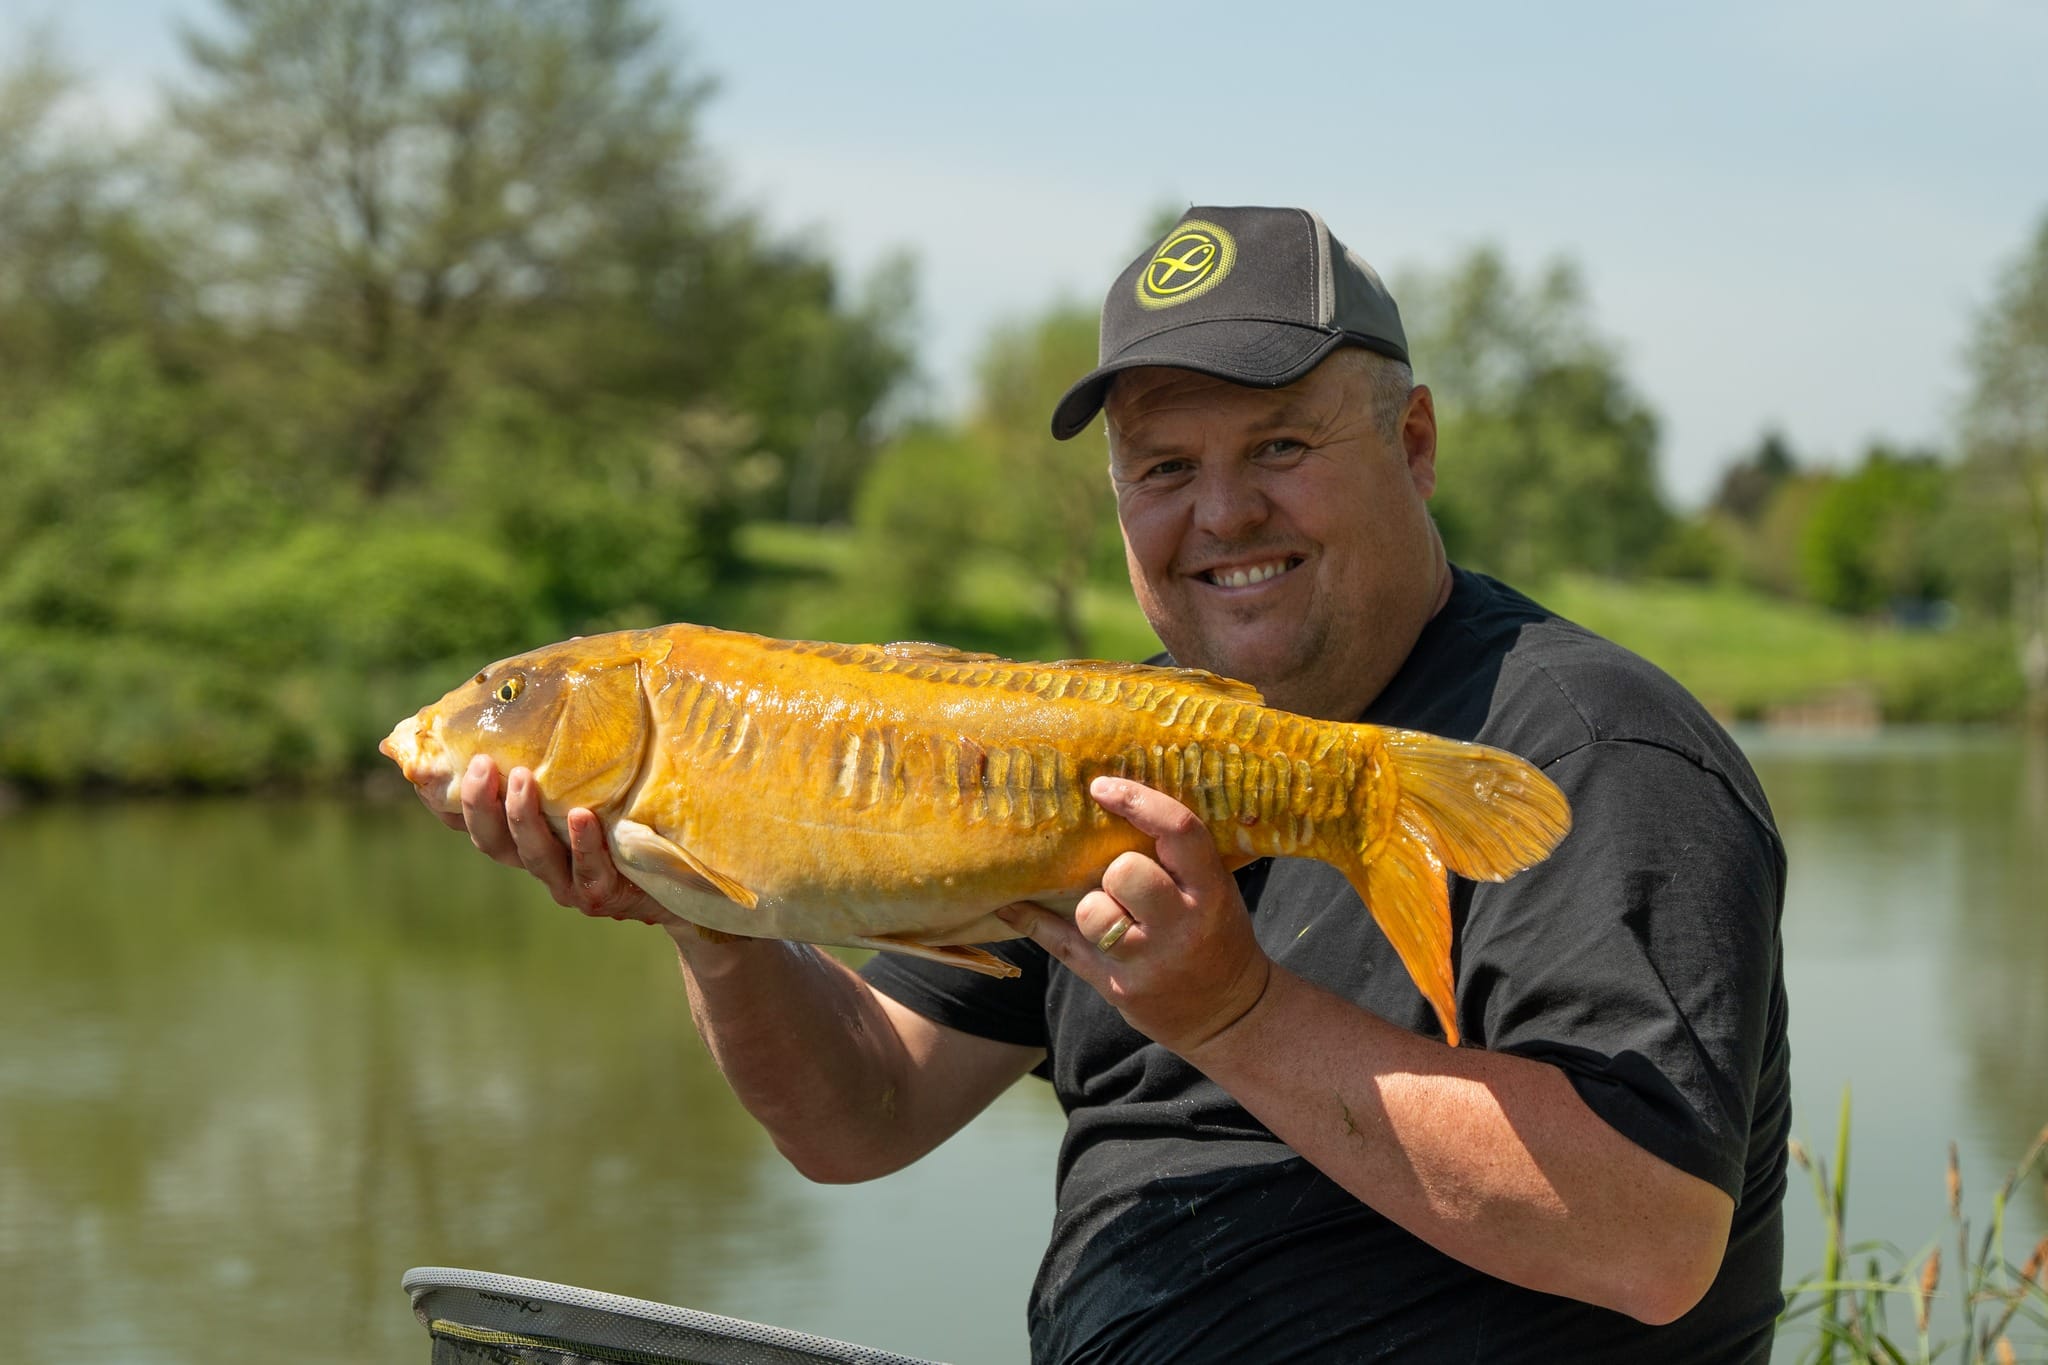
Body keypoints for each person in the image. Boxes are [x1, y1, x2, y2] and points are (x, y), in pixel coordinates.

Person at [438, 205, 1790, 1363]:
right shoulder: (1079, 742)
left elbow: (1652, 1236)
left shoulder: (1583, 745)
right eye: (1164, 469)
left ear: (1417, 442)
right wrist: (710, 913)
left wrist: (1236, 1012)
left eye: (1279, 448)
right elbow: (862, 1112)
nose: (1223, 514)